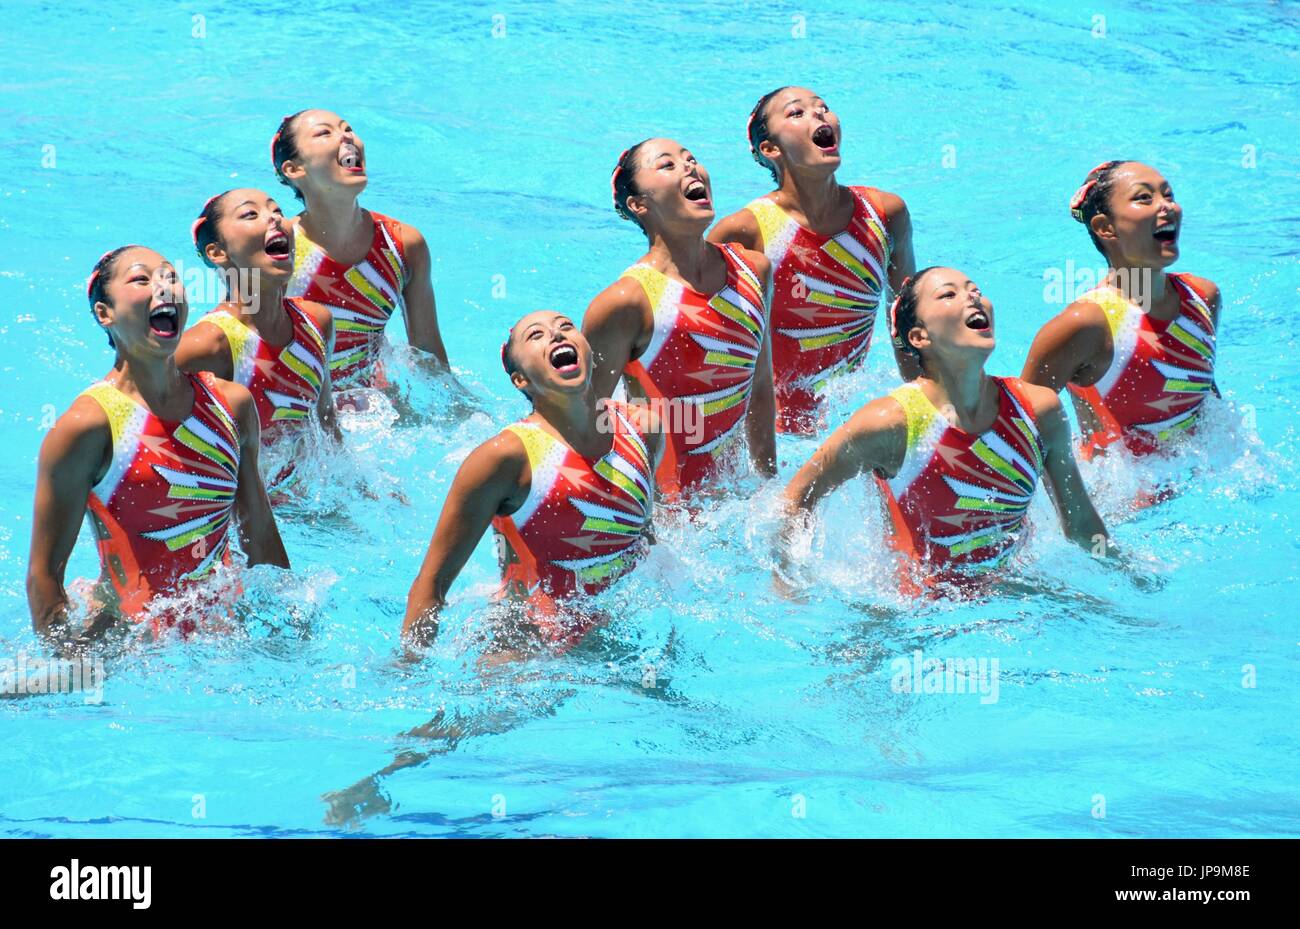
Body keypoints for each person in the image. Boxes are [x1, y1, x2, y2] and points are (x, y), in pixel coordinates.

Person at [781, 267, 1110, 593]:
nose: (972, 298)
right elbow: (795, 498)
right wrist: (789, 585)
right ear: (919, 337)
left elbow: (1081, 524)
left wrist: (1118, 577)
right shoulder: (890, 425)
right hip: (918, 615)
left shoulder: (1038, 410)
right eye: (948, 294)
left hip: (1013, 602)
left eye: (975, 290)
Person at [27, 246, 289, 649]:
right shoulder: (88, 427)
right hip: (129, 645)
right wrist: (70, 663)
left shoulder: (231, 403)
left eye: (170, 276)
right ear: (105, 314)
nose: (163, 288)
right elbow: (44, 575)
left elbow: (260, 532)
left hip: (222, 635)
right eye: (141, 280)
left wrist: (289, 632)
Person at [402, 310, 662, 652]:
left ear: (588, 352)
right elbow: (432, 583)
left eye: (566, 326)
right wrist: (410, 668)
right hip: (534, 644)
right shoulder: (504, 460)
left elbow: (646, 536)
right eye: (535, 335)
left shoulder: (644, 428)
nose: (556, 335)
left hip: (629, 628)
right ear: (520, 380)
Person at [709, 86, 917, 434]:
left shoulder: (885, 215)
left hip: (846, 419)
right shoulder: (745, 233)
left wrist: (920, 410)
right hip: (767, 430)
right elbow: (706, 339)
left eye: (823, 107)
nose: (819, 114)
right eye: (796, 113)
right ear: (771, 149)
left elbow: (907, 323)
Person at [583, 138, 775, 500]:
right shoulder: (626, 303)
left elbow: (761, 385)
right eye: (667, 165)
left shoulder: (754, 270)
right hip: (664, 511)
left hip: (733, 503)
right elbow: (587, 419)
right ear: (639, 204)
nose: (689, 167)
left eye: (691, 159)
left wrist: (768, 485)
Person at [1022, 161, 1220, 458]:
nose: (1166, 207)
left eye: (1169, 195)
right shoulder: (1085, 326)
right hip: (1120, 503)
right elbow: (1020, 435)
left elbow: (1208, 403)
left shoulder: (1202, 297)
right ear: (1105, 227)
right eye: (1144, 198)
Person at [270, 109, 452, 396]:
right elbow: (244, 346)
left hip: (374, 408)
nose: (346, 136)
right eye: (324, 133)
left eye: (348, 128)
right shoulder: (277, 251)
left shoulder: (402, 244)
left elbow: (429, 359)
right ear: (294, 169)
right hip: (298, 409)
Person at [176, 188, 340, 489]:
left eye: (277, 211)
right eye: (251, 214)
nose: (275, 219)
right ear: (217, 252)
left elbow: (327, 427)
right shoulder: (208, 346)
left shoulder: (317, 322)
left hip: (305, 503)